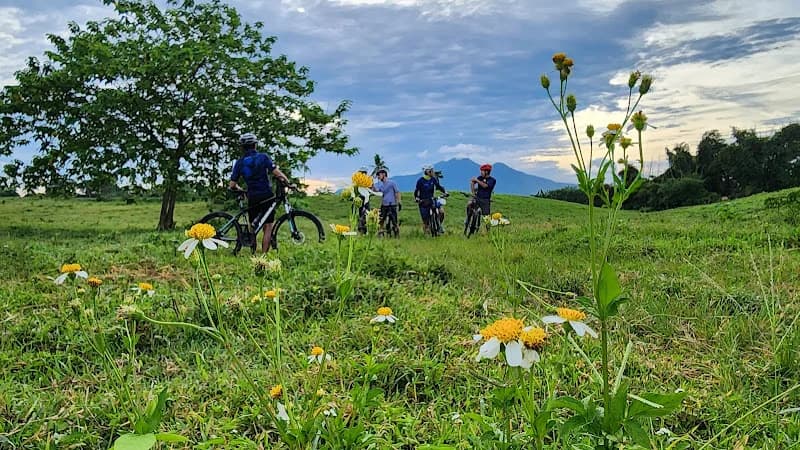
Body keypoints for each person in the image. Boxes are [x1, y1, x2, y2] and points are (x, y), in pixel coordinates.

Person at [229, 132, 295, 253]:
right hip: (266, 195)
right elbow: (277, 173)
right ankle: (263, 255)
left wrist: (240, 190)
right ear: (255, 145)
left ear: (242, 147)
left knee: (252, 226)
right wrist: (288, 183)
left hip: (252, 196)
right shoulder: (263, 157)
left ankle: (253, 251)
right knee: (268, 226)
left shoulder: (240, 163)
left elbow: (232, 185)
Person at [414, 165, 447, 233]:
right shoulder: (420, 181)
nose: (433, 172)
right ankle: (427, 232)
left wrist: (445, 192)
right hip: (423, 201)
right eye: (431, 171)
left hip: (432, 200)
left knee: (441, 212)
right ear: (427, 172)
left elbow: (438, 186)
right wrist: (417, 198)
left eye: (432, 170)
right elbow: (416, 191)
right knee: (425, 220)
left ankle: (439, 225)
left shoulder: (433, 179)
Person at [373, 168, 401, 235]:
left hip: (392, 204)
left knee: (394, 221)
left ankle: (396, 233)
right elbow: (376, 190)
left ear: (384, 174)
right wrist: (372, 185)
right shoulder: (381, 185)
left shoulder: (392, 183)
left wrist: (399, 202)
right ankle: (380, 233)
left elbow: (397, 192)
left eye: (379, 175)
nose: (378, 177)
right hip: (384, 205)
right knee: (381, 220)